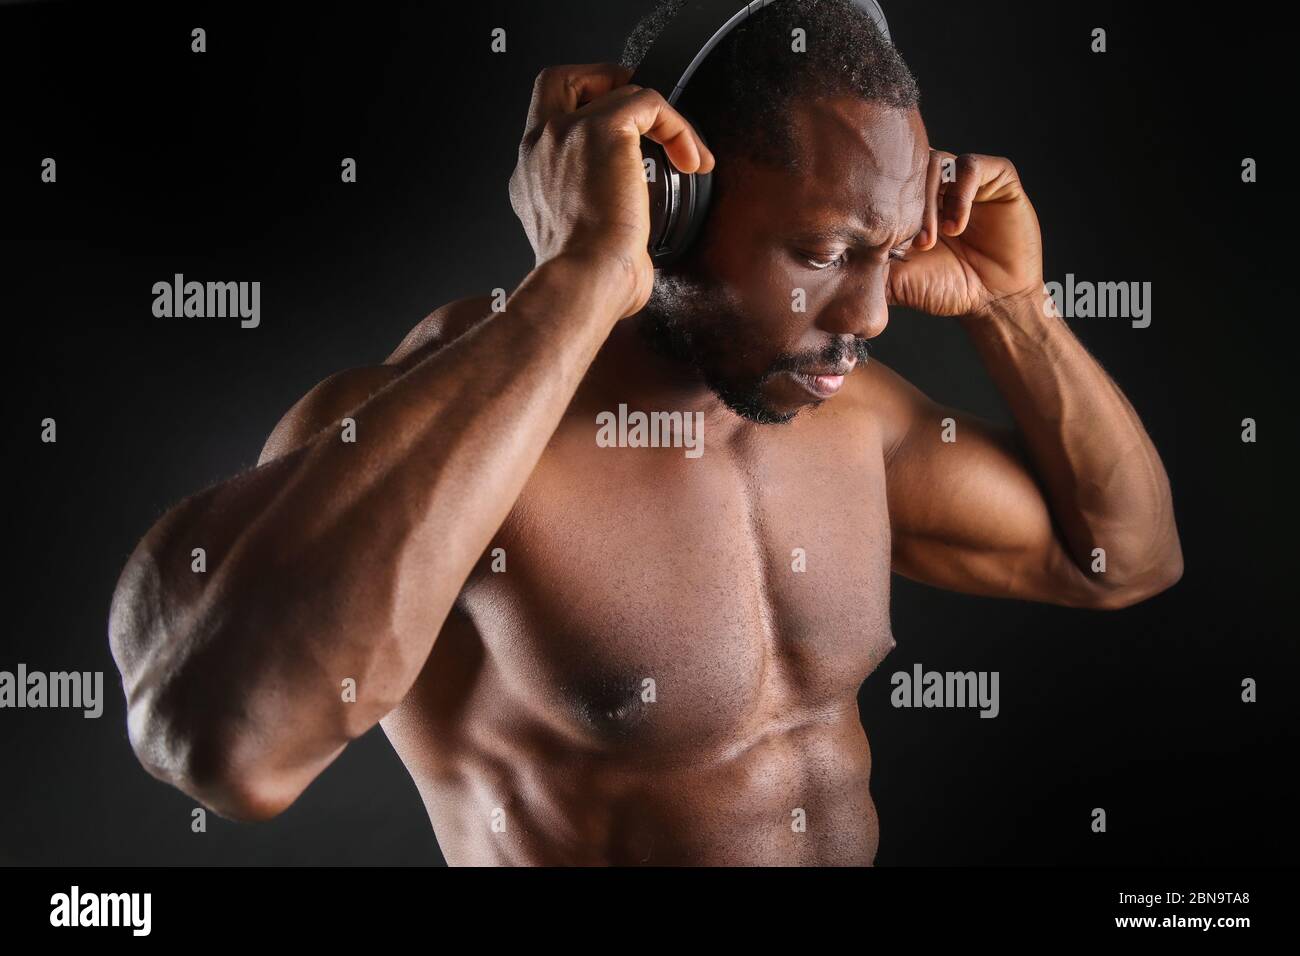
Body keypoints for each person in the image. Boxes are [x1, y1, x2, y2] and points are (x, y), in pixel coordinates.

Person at [108, 0, 1182, 864]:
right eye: (820, 252)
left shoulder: (846, 414)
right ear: (669, 203)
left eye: (884, 252)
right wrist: (578, 277)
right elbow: (228, 746)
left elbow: (1120, 561)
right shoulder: (434, 430)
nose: (868, 315)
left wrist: (1013, 311)